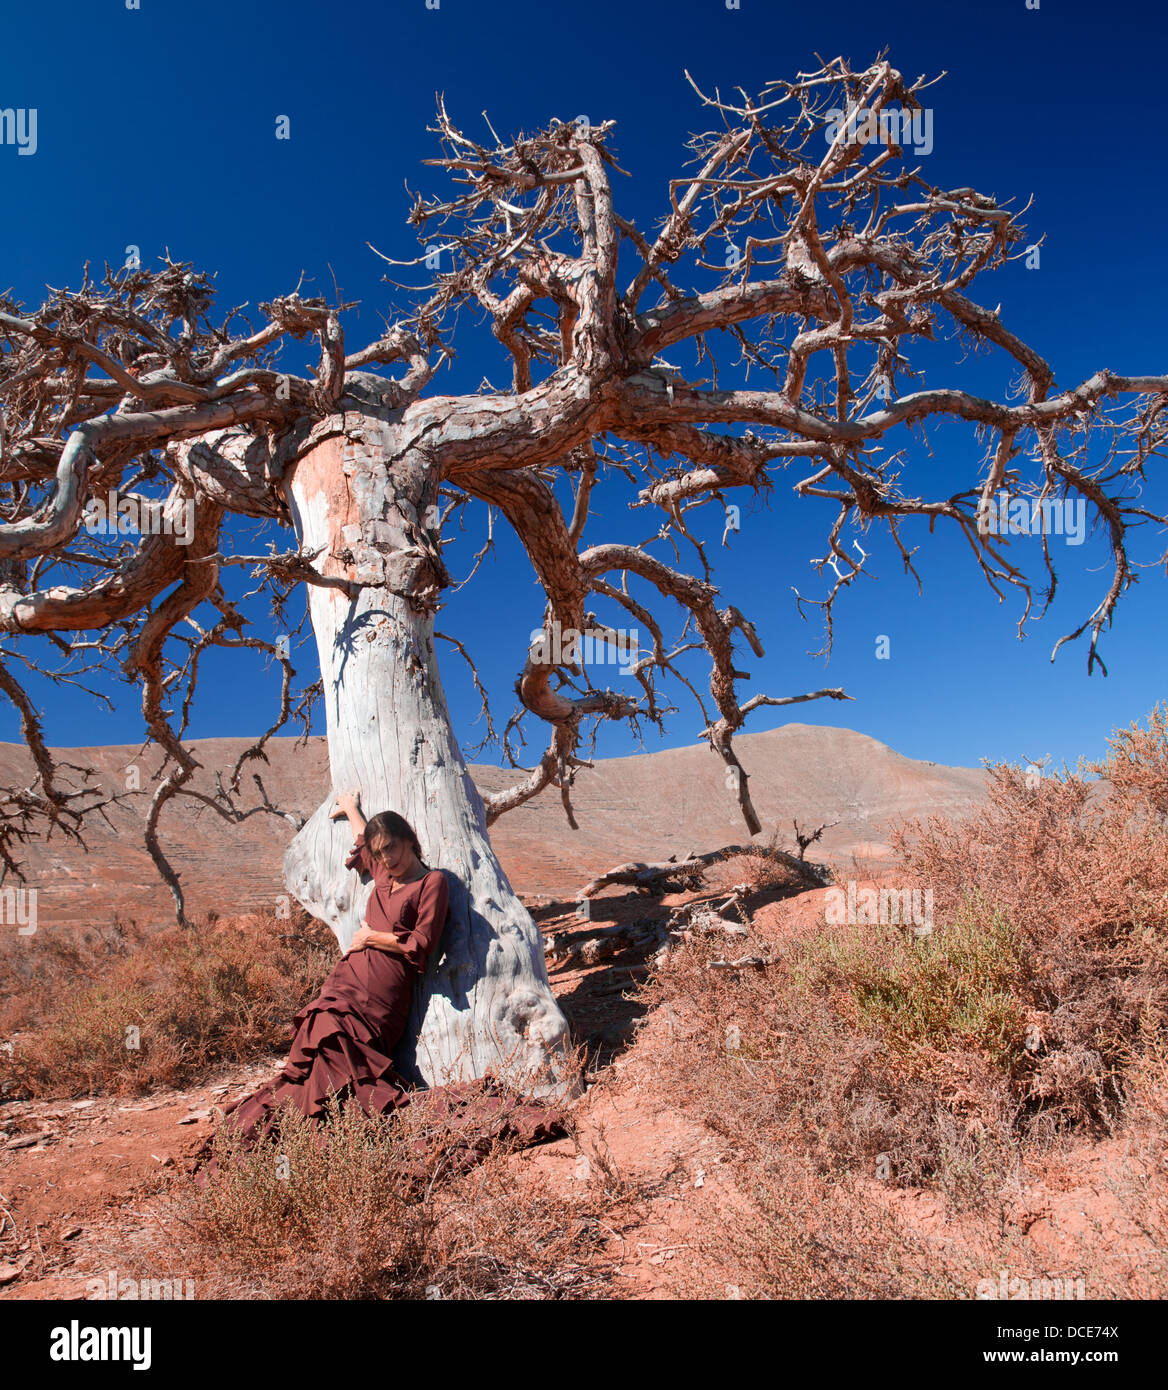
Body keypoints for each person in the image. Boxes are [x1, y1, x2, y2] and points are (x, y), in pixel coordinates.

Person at [194, 793, 449, 1157]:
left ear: (409, 839)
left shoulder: (431, 882)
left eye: (392, 847)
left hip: (385, 988)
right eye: (380, 854)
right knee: (321, 1036)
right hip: (346, 979)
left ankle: (346, 1137)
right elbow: (363, 841)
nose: (387, 858)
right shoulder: (382, 872)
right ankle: (305, 1135)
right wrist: (351, 810)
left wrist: (371, 936)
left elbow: (422, 944)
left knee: (349, 1053)